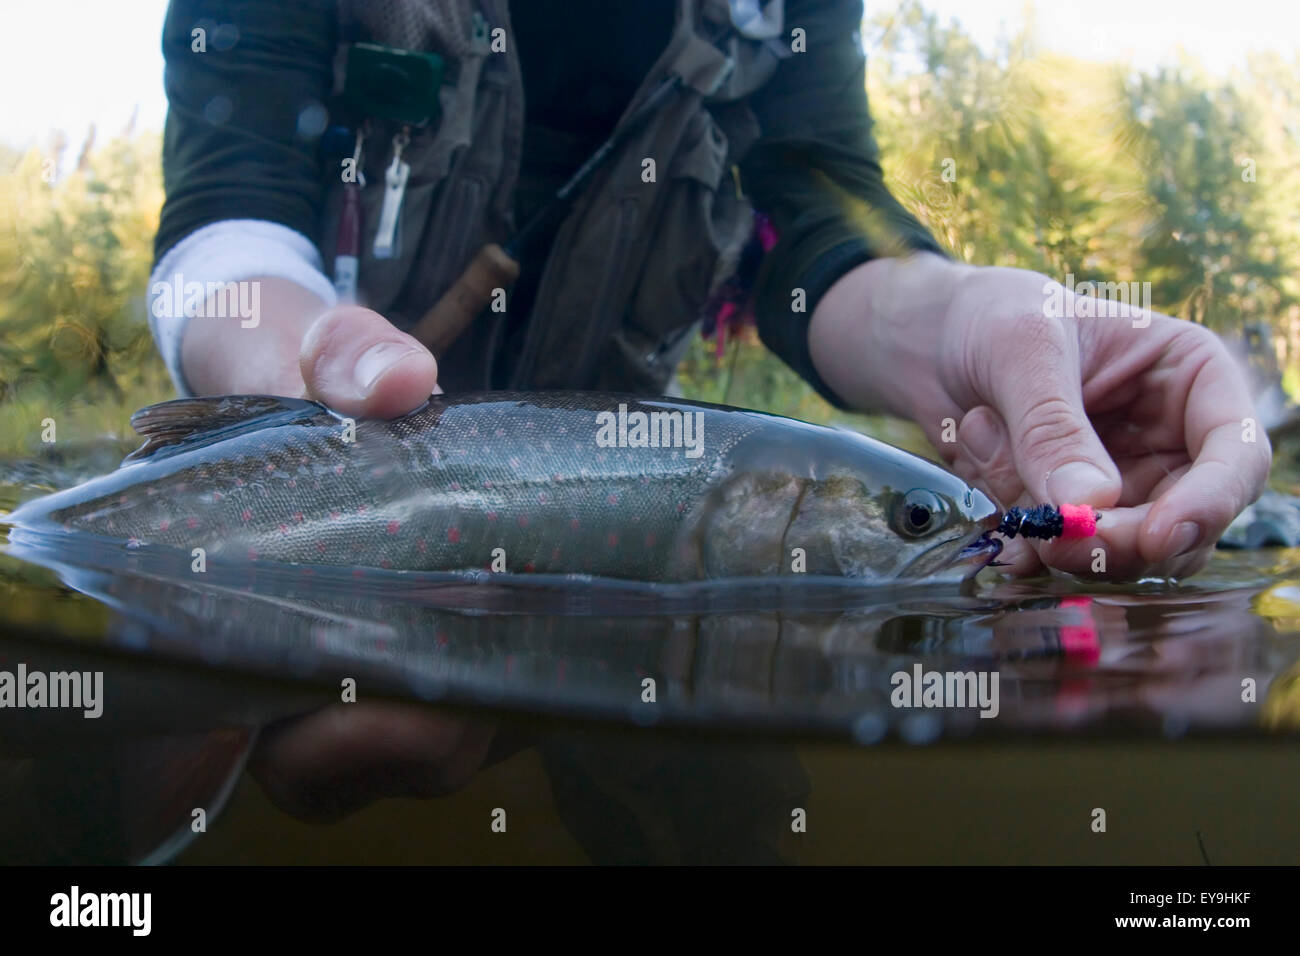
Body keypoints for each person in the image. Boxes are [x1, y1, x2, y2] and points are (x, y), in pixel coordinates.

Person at [153, 0, 1269, 819]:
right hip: (293, 439)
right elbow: (227, 207)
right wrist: (298, 367)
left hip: (632, 507)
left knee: (728, 807)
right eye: (914, 523)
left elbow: (813, 227)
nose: (944, 531)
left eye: (916, 522)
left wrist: (977, 314)